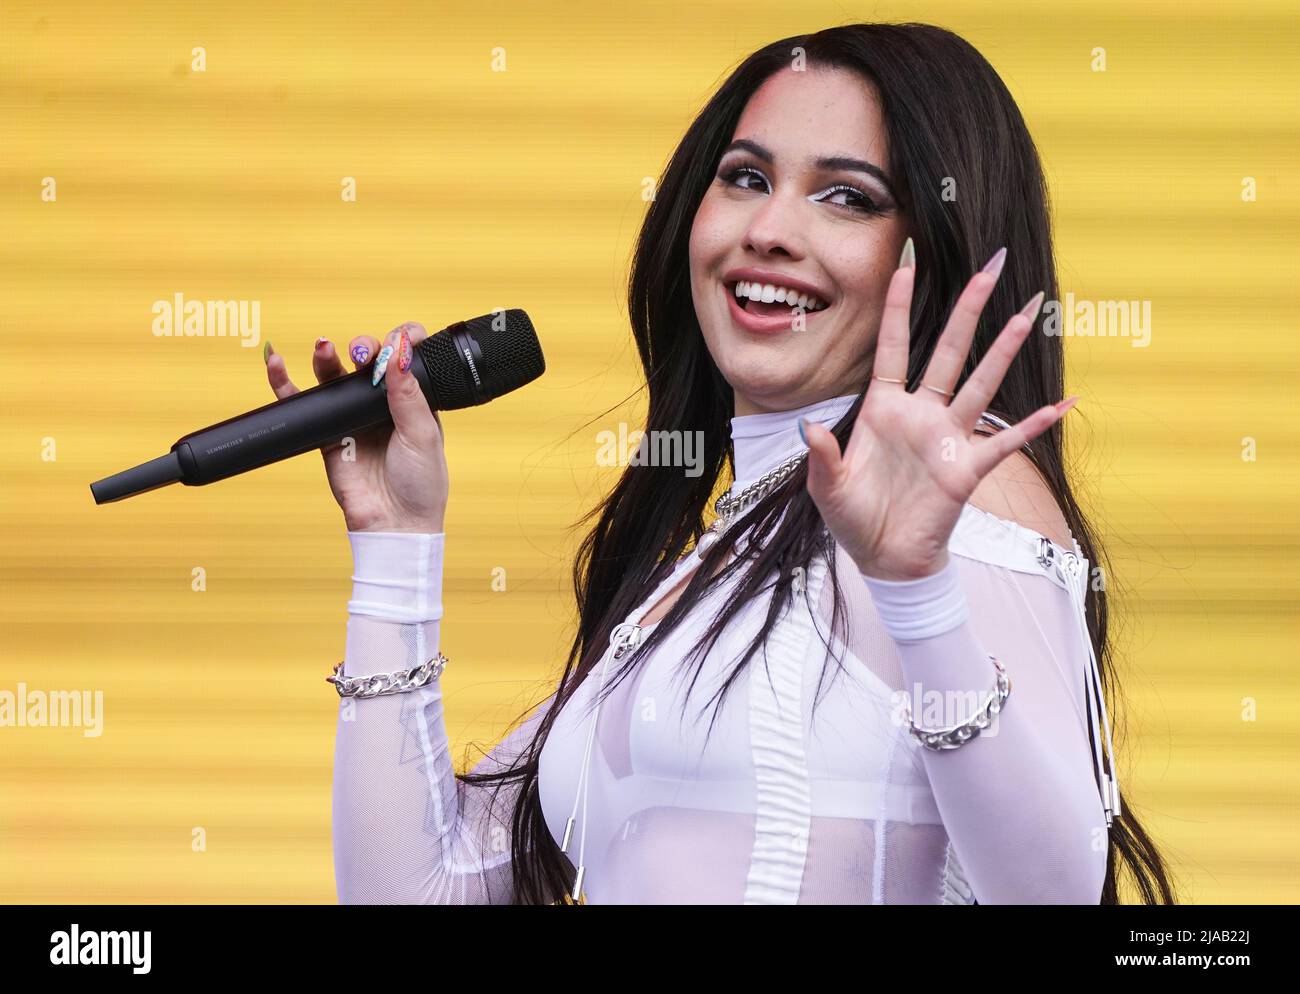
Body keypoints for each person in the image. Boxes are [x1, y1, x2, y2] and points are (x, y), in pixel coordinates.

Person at [264, 23, 1177, 905]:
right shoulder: (703, 577)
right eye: (746, 178)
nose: (770, 229)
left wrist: (918, 591)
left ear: (932, 253)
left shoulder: (966, 492)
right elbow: (415, 891)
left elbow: (1056, 894)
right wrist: (395, 543)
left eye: (848, 196)